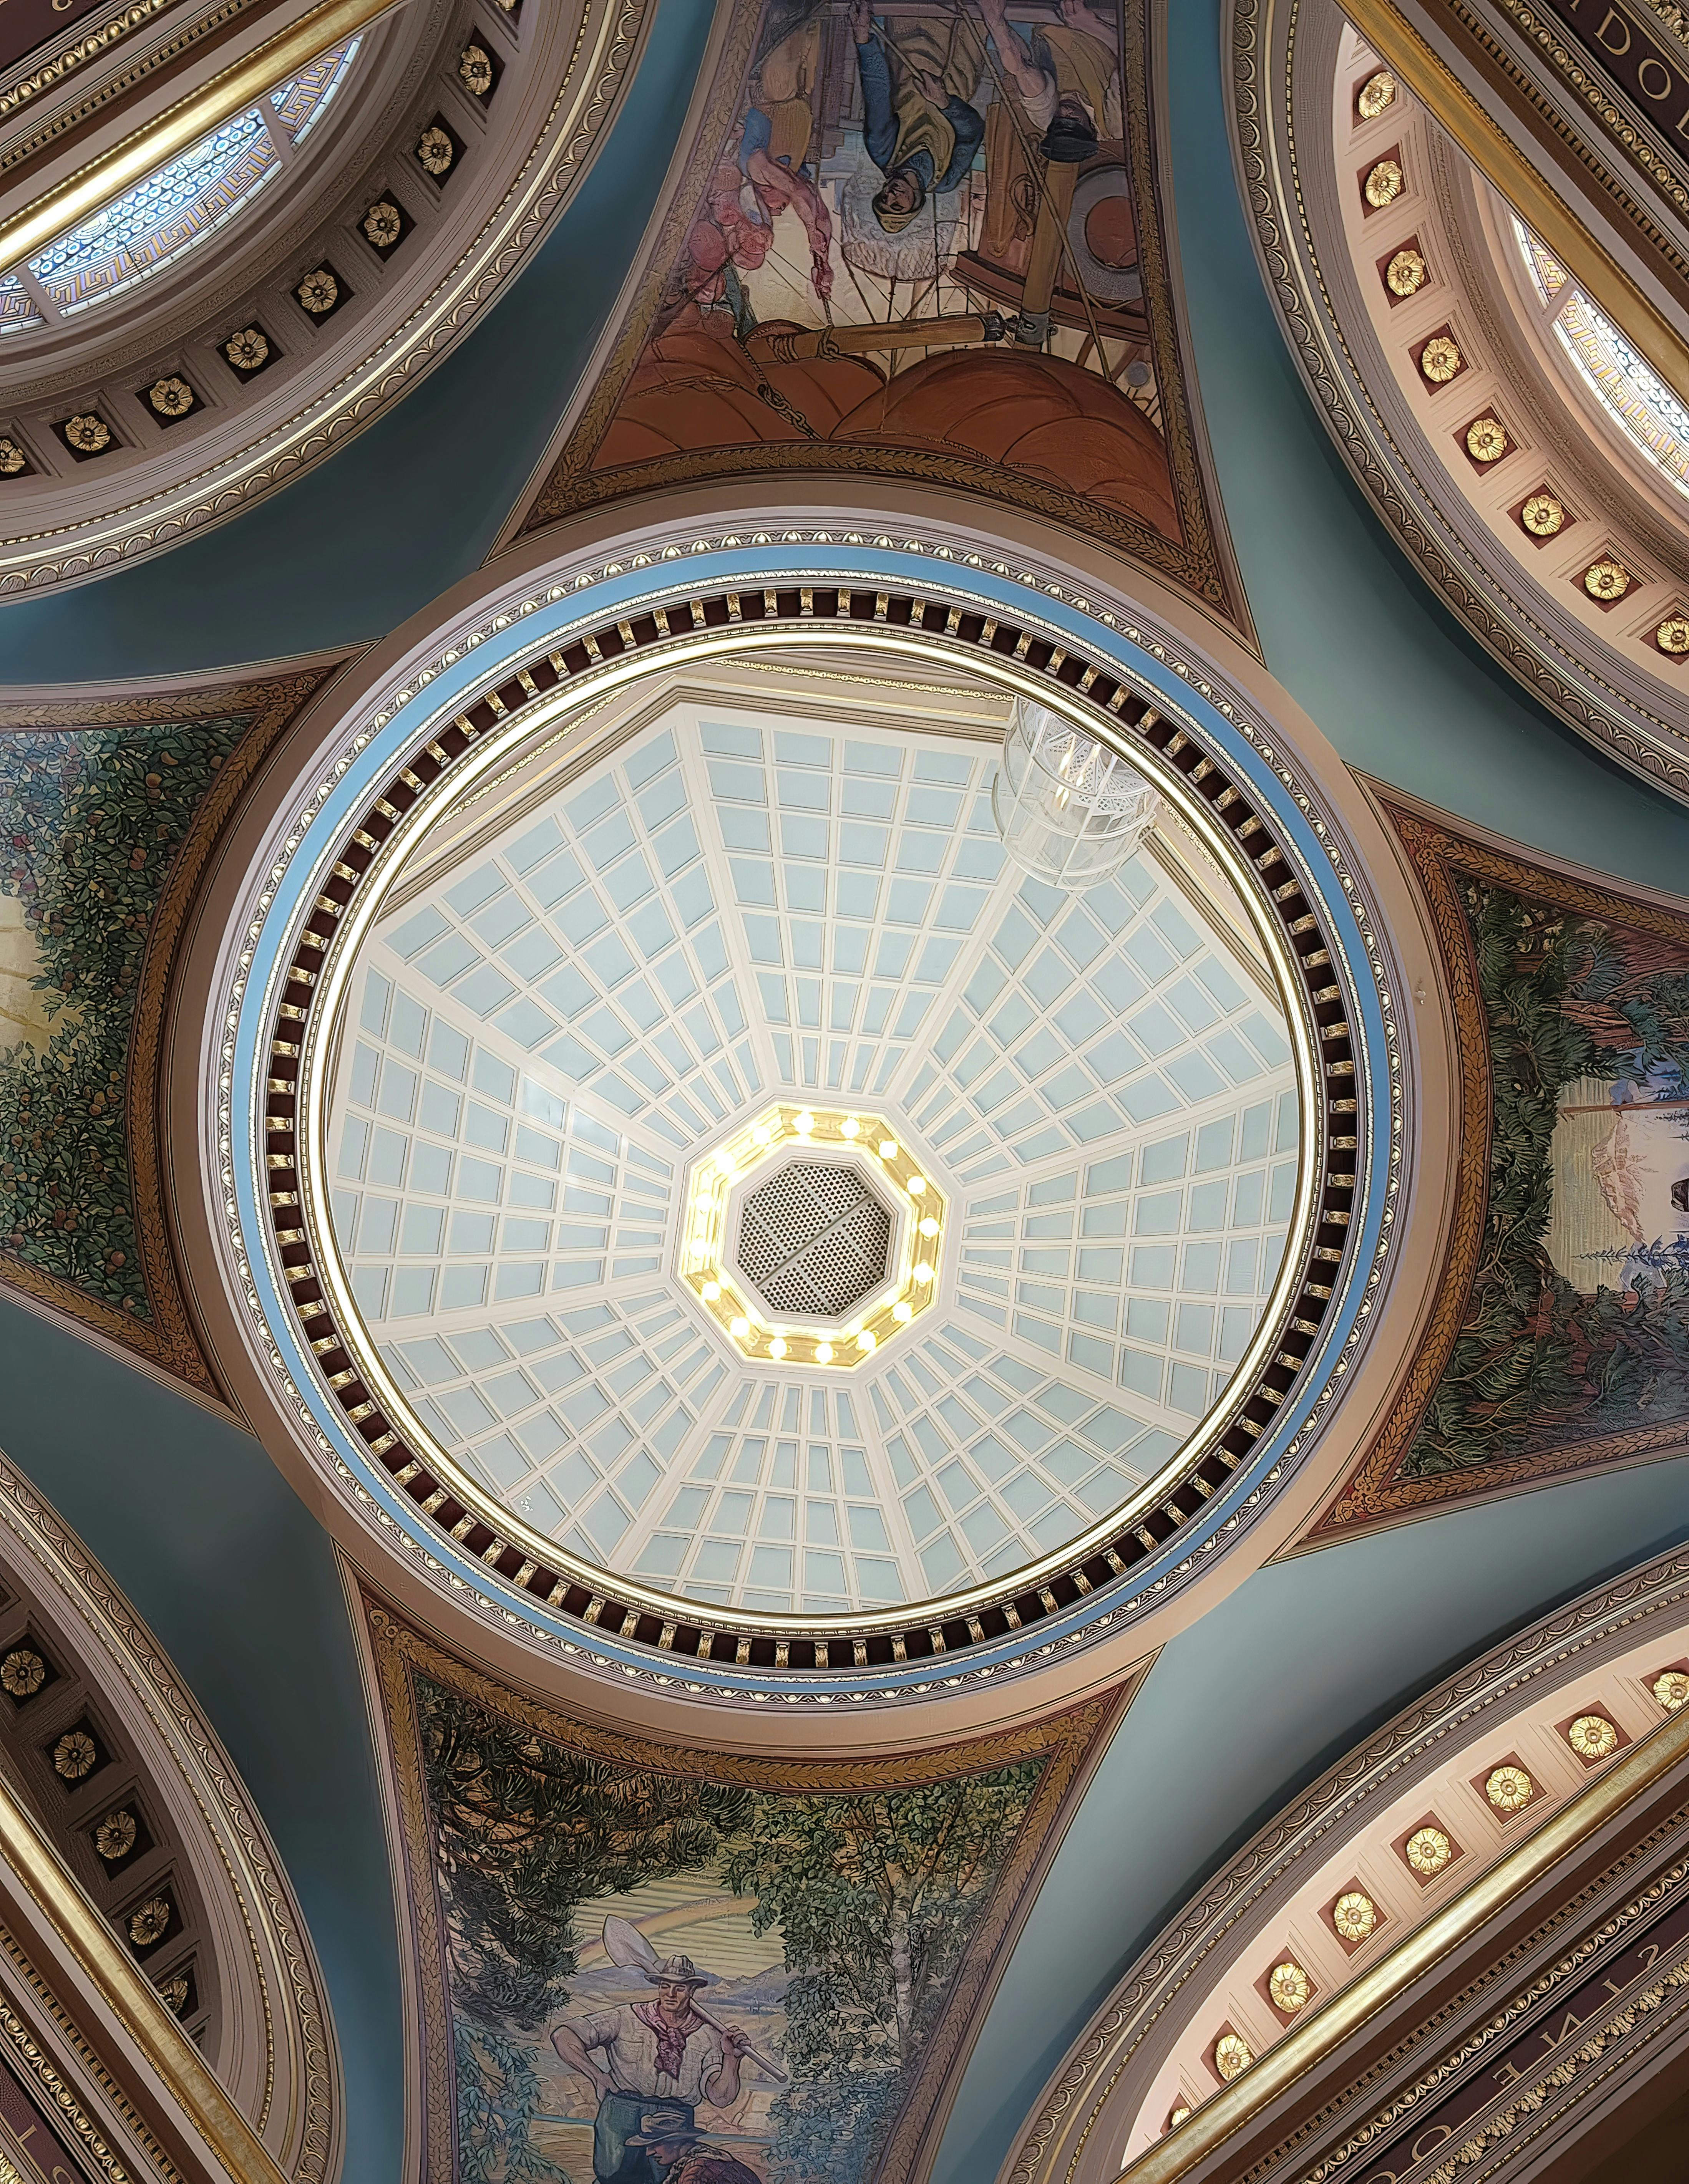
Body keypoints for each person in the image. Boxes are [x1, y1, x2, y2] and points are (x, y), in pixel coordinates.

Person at [551, 1955, 749, 2184]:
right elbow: (563, 2036)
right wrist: (597, 2076)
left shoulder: (708, 2035)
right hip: (622, 2113)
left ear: (693, 1991)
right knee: (612, 2177)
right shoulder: (626, 2017)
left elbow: (721, 2097)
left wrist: (732, 2059)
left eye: (680, 1988)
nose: (671, 1994)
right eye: (665, 1986)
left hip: (675, 2122)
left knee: (668, 2180)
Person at [848, 0, 988, 234]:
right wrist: (944, 102)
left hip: (911, 50)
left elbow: (877, 90)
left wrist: (863, 38)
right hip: (960, 66)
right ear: (915, 206)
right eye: (897, 206)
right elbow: (972, 132)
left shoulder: (882, 150)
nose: (891, 195)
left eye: (884, 199)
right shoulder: (946, 180)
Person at [622, 2107, 763, 2184]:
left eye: (656, 2144)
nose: (649, 2153)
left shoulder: (696, 2173)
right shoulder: (706, 2159)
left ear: (677, 2142)